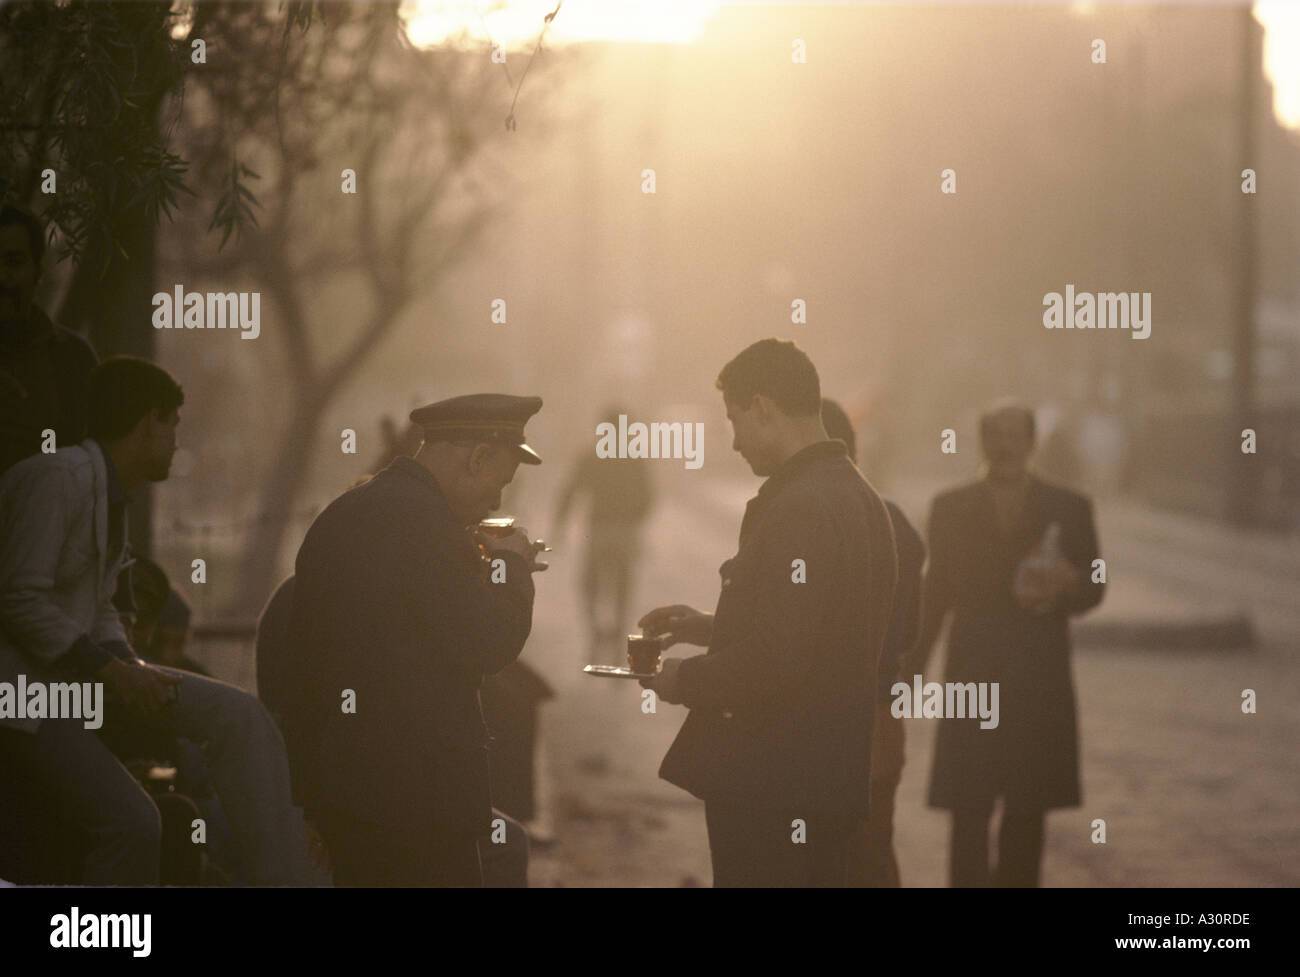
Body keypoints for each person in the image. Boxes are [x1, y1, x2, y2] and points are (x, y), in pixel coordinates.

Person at [0, 356, 314, 885]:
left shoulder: (109, 493)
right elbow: (17, 597)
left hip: (85, 677)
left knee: (242, 718)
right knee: (136, 824)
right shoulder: (58, 479)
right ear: (149, 422)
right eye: (172, 426)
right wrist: (110, 670)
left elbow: (96, 607)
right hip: (26, 695)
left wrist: (129, 666)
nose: (174, 441)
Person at [638, 339, 898, 887]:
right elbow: (820, 629)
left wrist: (683, 678)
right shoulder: (858, 495)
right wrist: (706, 626)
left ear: (763, 407)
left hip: (772, 784)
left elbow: (777, 658)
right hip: (822, 777)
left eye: (734, 420)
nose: (732, 442)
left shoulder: (800, 503)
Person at [289, 393, 546, 887]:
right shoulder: (427, 526)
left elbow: (303, 673)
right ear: (477, 457)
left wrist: (312, 801)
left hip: (346, 794)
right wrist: (509, 566)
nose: (496, 501)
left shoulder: (342, 514)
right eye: (501, 482)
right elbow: (489, 642)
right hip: (422, 796)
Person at [904, 399, 1105, 887]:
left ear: (1032, 443)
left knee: (1028, 804)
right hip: (972, 669)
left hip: (1039, 675)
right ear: (982, 441)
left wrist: (1064, 587)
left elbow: (1094, 586)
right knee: (968, 805)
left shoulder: (1069, 508)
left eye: (1015, 435)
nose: (1005, 445)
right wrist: (910, 673)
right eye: (995, 434)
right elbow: (936, 595)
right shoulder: (949, 507)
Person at [820, 397, 924, 888]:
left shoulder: (820, 519)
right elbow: (910, 632)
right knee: (872, 854)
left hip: (837, 723)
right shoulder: (897, 521)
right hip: (883, 719)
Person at [0, 204, 98, 477]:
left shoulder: (74, 359)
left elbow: (98, 470)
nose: (1, 277)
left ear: (38, 272)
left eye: (13, 262)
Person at [554, 406, 655, 656]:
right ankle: (618, 634)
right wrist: (635, 521)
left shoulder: (592, 457)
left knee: (589, 584)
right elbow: (648, 496)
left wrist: (560, 525)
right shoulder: (634, 459)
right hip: (624, 530)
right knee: (622, 584)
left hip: (598, 528)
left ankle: (596, 633)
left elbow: (570, 491)